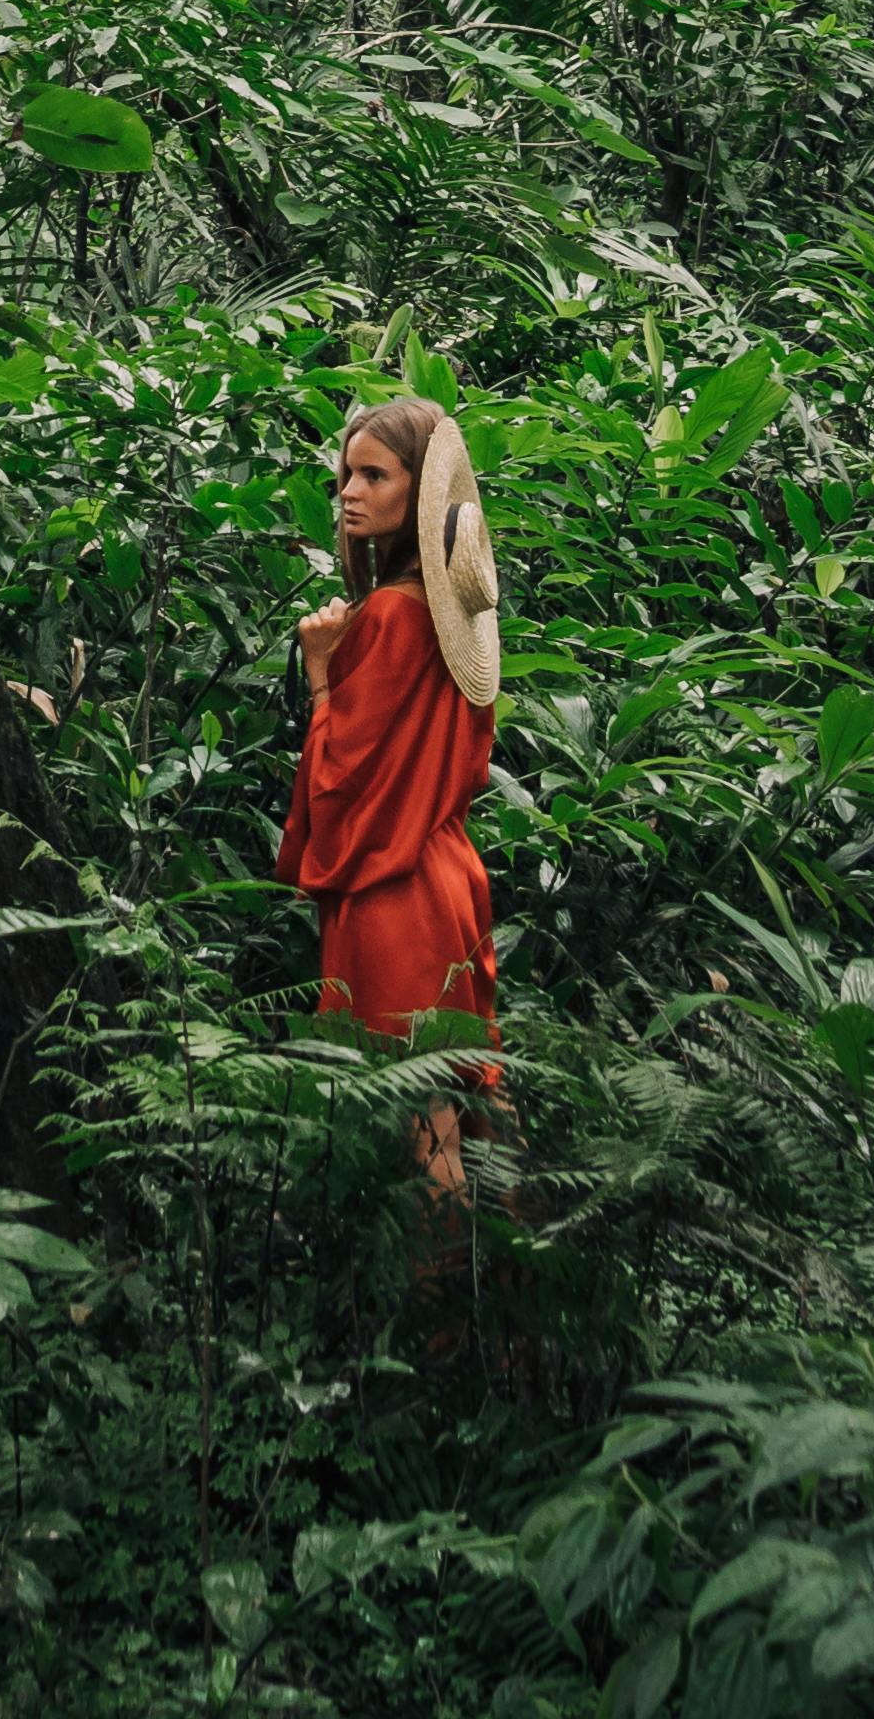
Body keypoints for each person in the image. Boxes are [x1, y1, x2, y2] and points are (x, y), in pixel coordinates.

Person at [283, 388, 504, 1205]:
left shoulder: (384, 620)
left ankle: (445, 1314)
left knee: (425, 1121)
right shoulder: (440, 622)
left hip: (393, 894)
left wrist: (318, 675)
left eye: (372, 475)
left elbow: (341, 787)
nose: (348, 490)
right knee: (475, 1111)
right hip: (450, 877)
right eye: (346, 473)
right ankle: (513, 1300)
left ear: (420, 495)